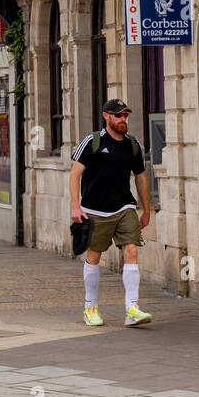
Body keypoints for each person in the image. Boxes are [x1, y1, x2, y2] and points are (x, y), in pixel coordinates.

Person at [70, 98, 153, 328]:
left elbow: (141, 178)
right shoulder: (93, 142)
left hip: (124, 206)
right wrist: (75, 205)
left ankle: (132, 309)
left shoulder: (132, 145)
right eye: (118, 115)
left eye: (125, 115)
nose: (123, 119)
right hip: (95, 210)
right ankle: (90, 308)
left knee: (131, 249)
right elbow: (75, 173)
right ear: (106, 116)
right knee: (94, 255)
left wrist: (146, 209)